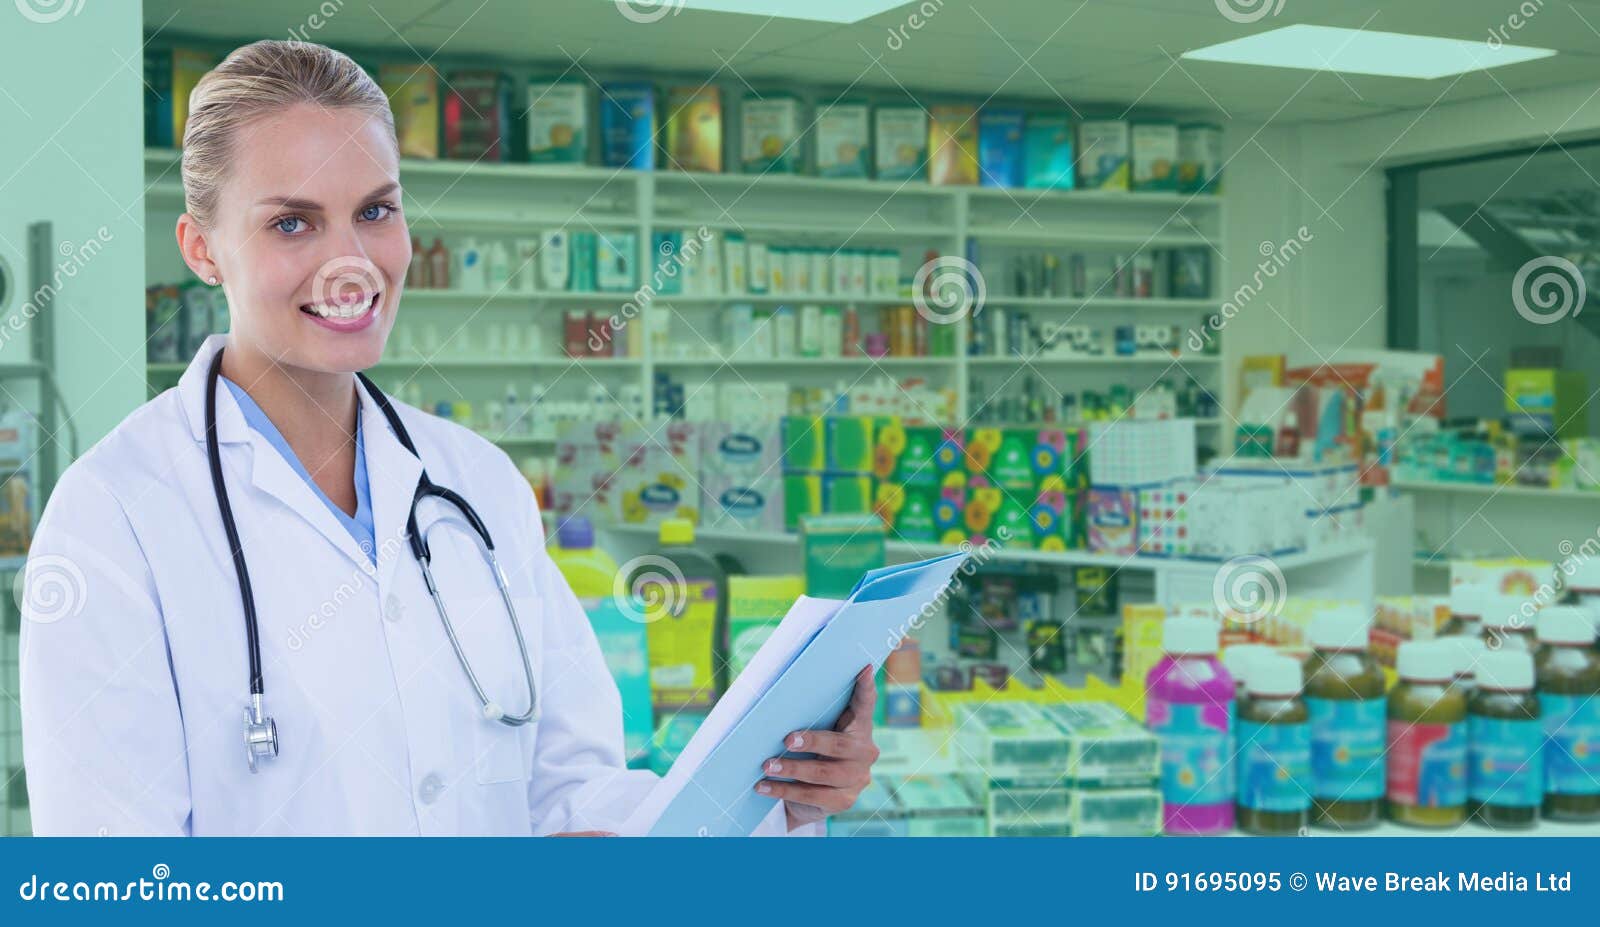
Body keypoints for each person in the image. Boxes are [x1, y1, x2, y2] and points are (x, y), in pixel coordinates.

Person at [18, 40, 879, 836]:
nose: (350, 260)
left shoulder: (475, 483)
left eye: (375, 211)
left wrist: (778, 787)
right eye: (292, 222)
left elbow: (569, 794)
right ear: (202, 248)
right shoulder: (117, 517)